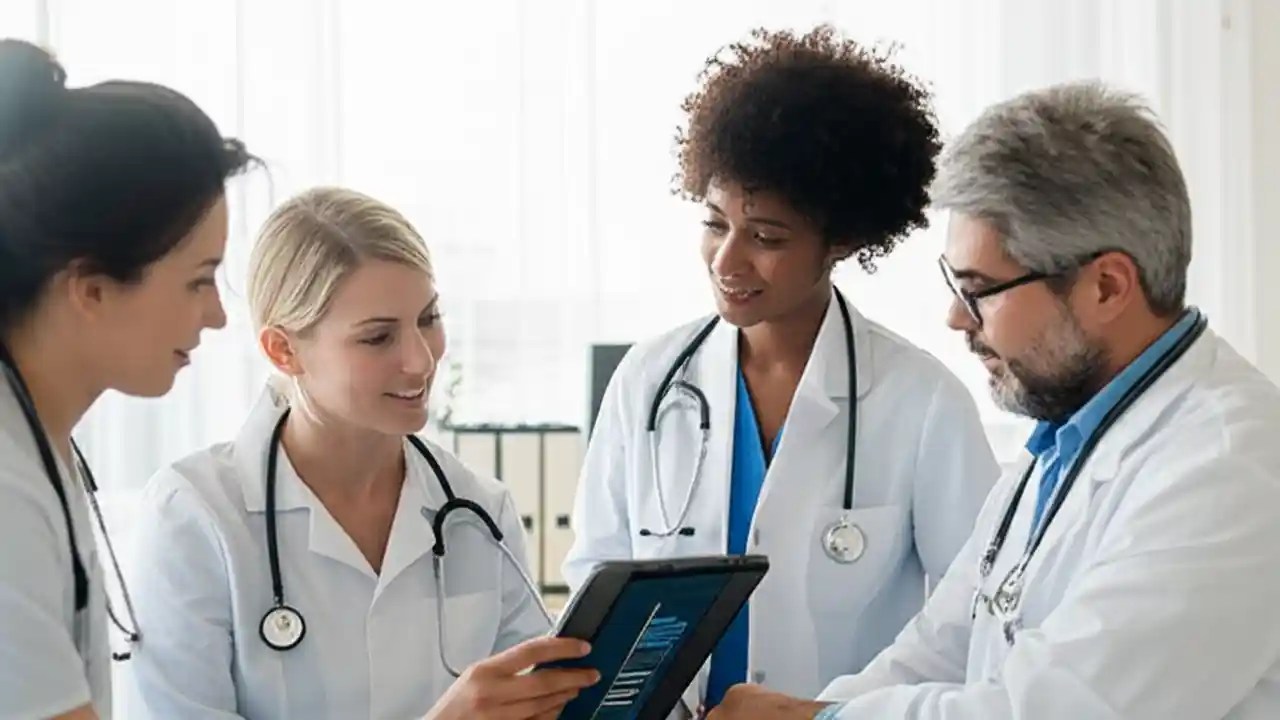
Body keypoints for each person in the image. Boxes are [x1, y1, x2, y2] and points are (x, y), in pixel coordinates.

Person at [705, 81, 1280, 720]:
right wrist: (810, 709)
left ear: (1108, 287)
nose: (956, 317)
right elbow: (940, 648)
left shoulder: (1232, 467)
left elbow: (1063, 709)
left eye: (980, 289)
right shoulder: (1062, 440)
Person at [562, 25, 1000, 714]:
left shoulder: (922, 402)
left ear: (844, 238)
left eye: (766, 237)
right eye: (715, 223)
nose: (727, 261)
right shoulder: (649, 383)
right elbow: (599, 576)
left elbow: (977, 612)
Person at [126, 187, 599, 719]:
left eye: (428, 318)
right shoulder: (194, 516)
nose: (420, 362)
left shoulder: (476, 511)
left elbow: (546, 704)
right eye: (377, 338)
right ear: (283, 349)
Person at [0, 39, 254, 720]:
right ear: (91, 289)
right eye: (199, 280)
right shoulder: (5, 487)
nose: (219, 314)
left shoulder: (38, 446)